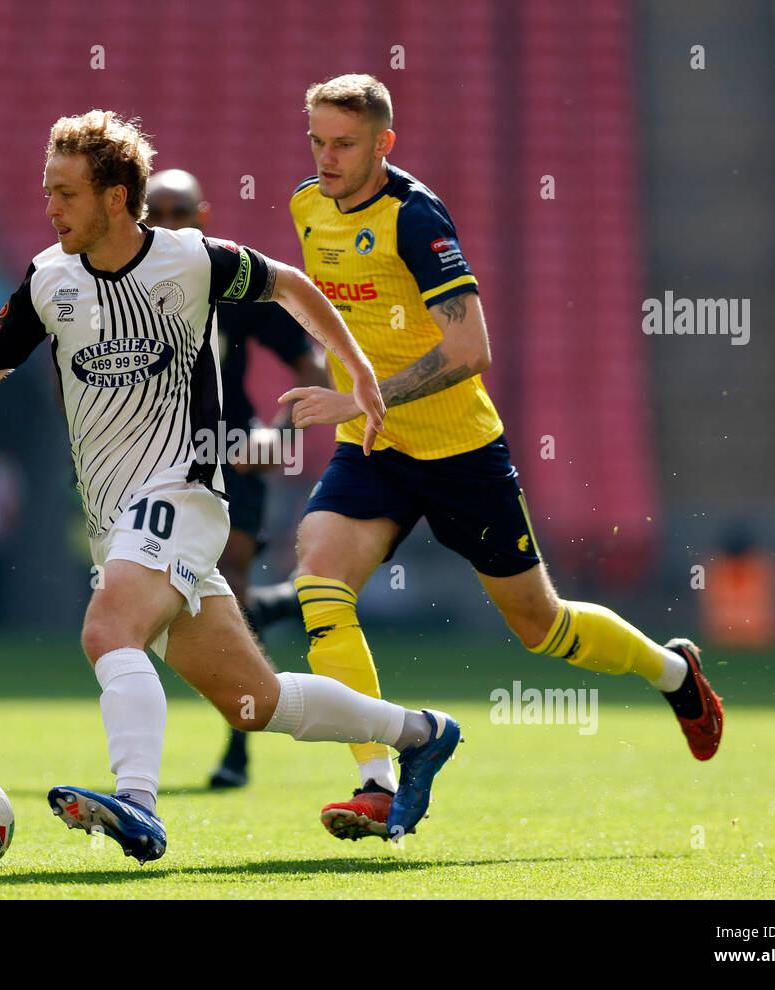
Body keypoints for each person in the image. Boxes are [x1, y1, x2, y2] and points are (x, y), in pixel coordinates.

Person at [0, 110, 460, 862]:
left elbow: (293, 286)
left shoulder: (189, 260)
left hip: (185, 494)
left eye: (66, 193)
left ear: (116, 198)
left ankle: (139, 805)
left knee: (107, 630)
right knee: (254, 703)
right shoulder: (50, 279)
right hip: (118, 519)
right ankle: (423, 734)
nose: (50, 208)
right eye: (48, 191)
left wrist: (360, 373)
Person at [278, 75, 724, 841]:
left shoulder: (415, 219)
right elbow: (339, 313)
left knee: (540, 626)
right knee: (320, 582)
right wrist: (343, 385)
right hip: (375, 447)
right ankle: (377, 781)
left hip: (459, 451)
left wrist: (363, 394)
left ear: (384, 143)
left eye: (344, 143)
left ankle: (675, 674)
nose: (326, 157)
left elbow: (470, 348)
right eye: (316, 139)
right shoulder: (306, 206)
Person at [145, 167, 328, 790]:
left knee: (224, 582)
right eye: (157, 213)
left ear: (205, 217)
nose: (168, 225)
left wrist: (279, 433)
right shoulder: (112, 290)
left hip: (226, 454)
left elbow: (313, 363)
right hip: (147, 461)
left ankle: (237, 748)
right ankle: (286, 604)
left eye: (180, 213)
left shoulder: (232, 284)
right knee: (173, 600)